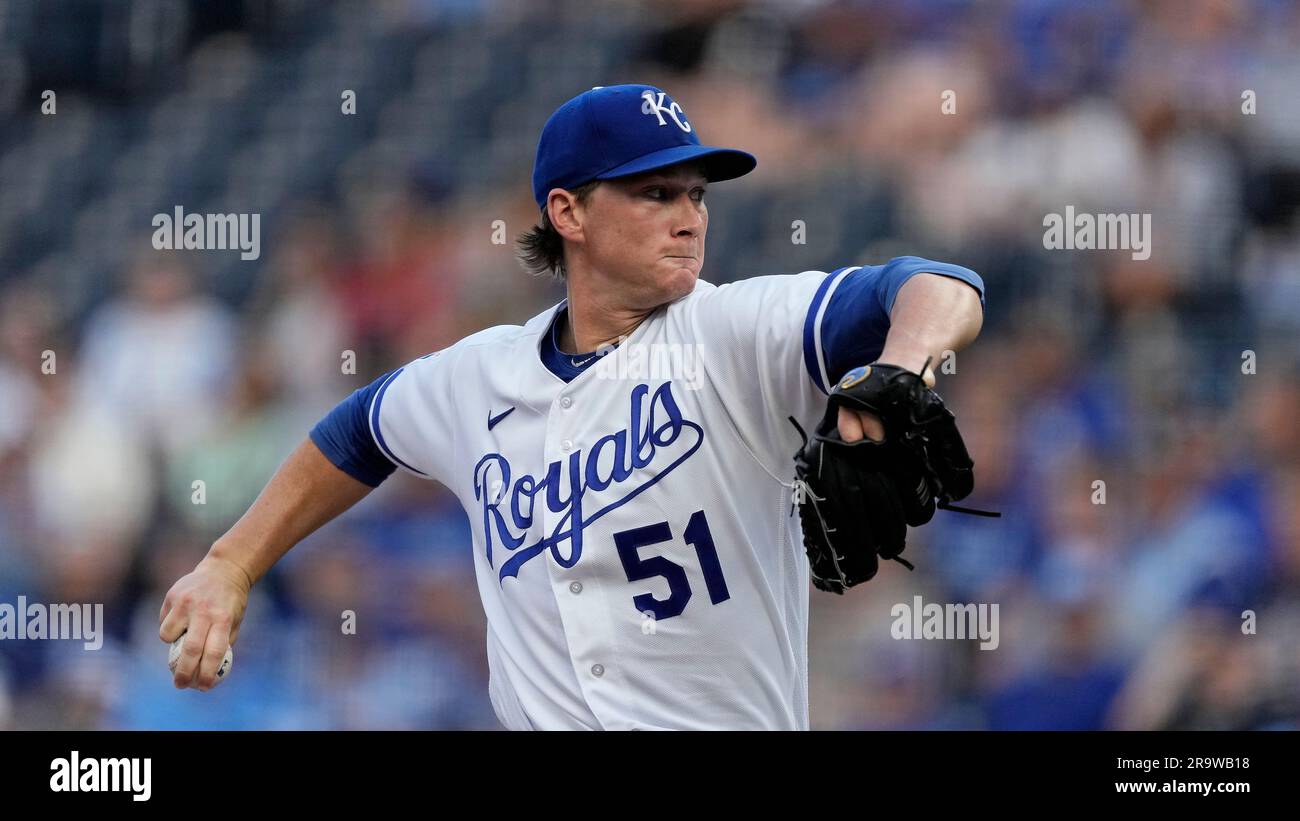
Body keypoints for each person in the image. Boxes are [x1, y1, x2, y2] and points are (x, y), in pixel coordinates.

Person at [160, 84, 987, 730]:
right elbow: (355, 434)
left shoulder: (736, 331)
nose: (689, 218)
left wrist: (900, 371)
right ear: (568, 212)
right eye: (656, 194)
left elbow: (937, 285)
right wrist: (232, 562)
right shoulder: (478, 376)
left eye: (697, 195)